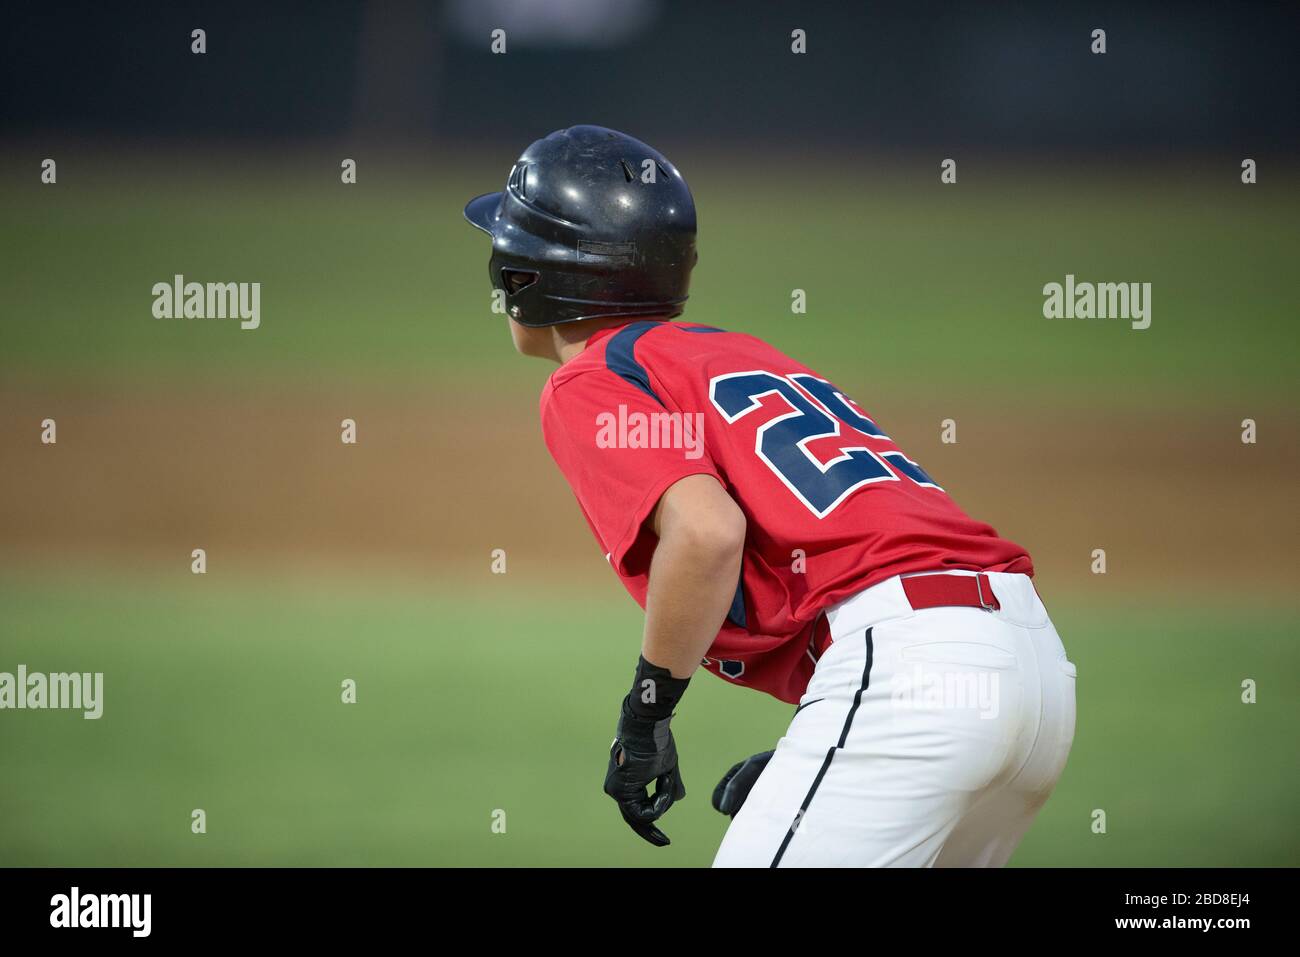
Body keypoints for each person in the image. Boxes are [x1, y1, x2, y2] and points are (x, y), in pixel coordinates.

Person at [463, 125, 1076, 867]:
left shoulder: (591, 379)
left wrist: (646, 714)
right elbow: (860, 548)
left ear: (530, 273)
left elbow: (706, 532)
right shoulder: (739, 354)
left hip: (909, 673)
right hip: (1030, 667)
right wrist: (823, 747)